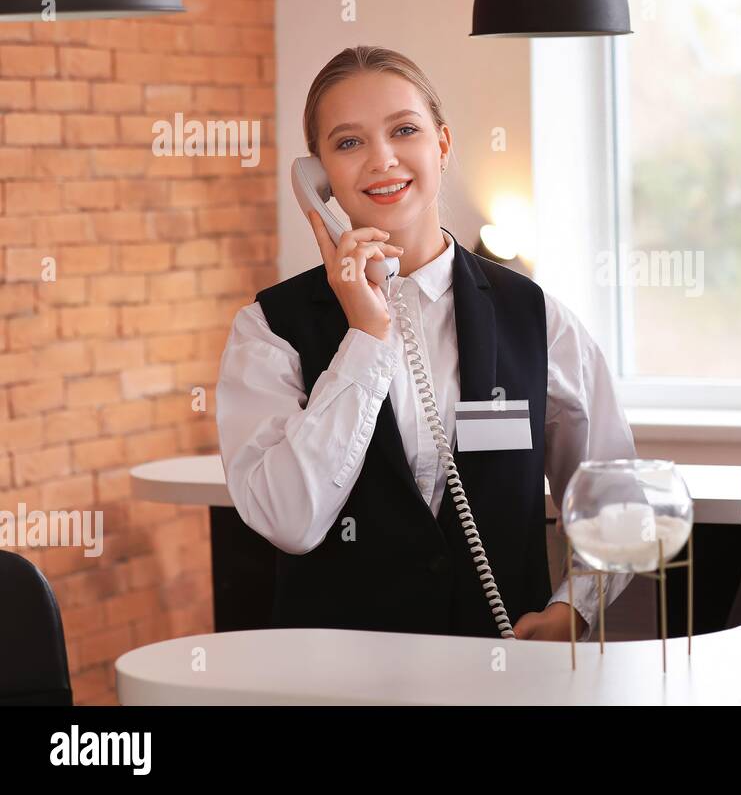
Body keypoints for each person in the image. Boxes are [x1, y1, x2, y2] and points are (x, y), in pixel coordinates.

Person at [216, 45, 634, 641]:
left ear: (441, 144)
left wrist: (576, 608)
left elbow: (616, 496)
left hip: (498, 671)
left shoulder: (537, 318)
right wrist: (365, 337)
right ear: (318, 177)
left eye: (404, 130)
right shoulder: (268, 330)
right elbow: (289, 520)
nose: (382, 159)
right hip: (333, 677)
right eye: (349, 142)